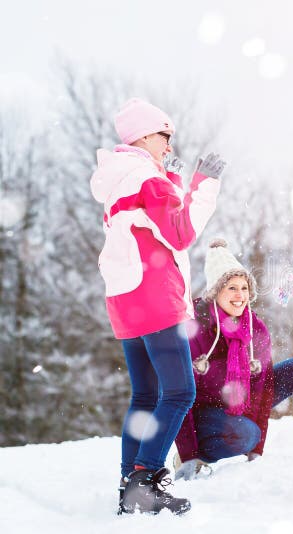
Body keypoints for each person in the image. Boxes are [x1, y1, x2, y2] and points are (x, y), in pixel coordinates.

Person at [90, 98, 225, 515]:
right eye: (165, 137)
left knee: (146, 394)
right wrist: (203, 186)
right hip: (155, 295)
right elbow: (181, 233)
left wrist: (171, 181)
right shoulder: (147, 179)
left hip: (125, 300)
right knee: (180, 391)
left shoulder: (120, 177)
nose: (169, 146)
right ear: (145, 136)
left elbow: (153, 228)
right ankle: (144, 479)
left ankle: (130, 485)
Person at [173, 239, 293, 478]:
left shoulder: (254, 328)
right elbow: (180, 396)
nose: (240, 295)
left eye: (244, 288)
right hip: (206, 412)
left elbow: (264, 388)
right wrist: (188, 455)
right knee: (245, 435)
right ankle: (203, 454)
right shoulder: (195, 326)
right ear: (216, 292)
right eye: (231, 288)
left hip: (244, 399)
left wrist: (256, 452)